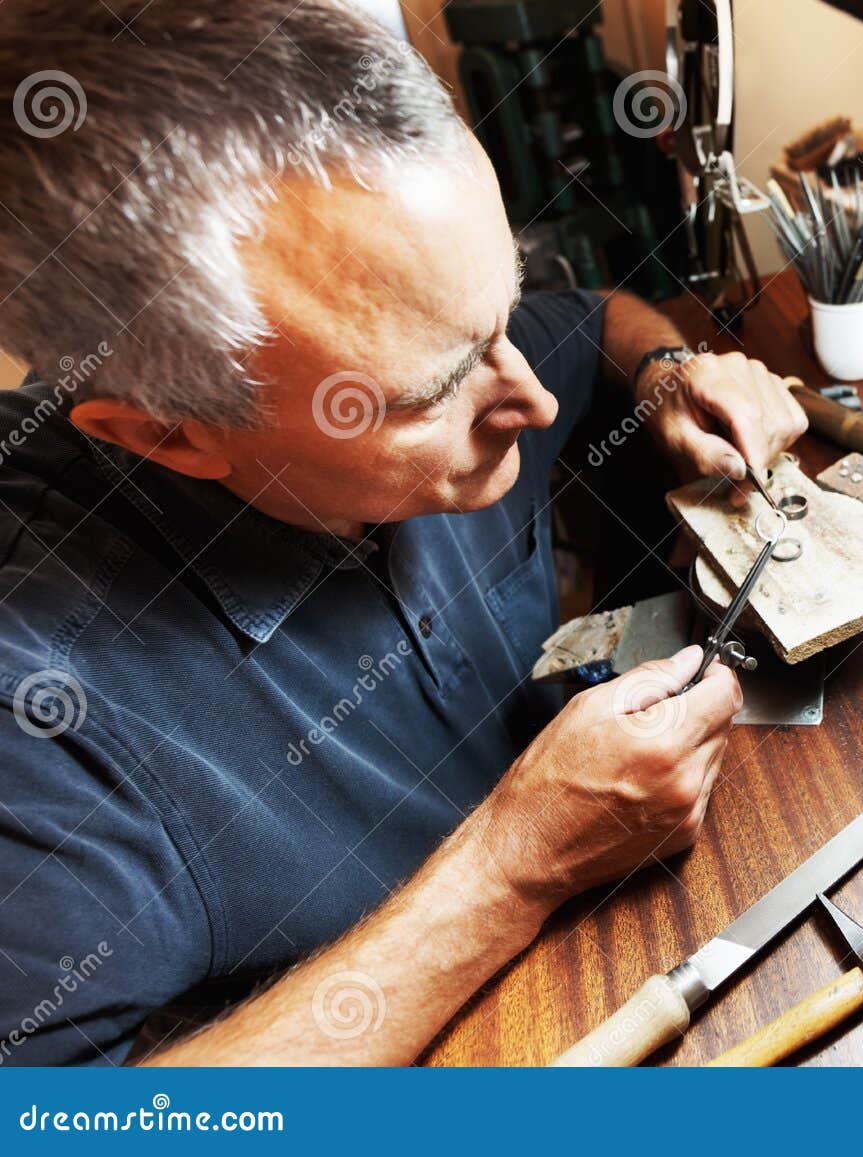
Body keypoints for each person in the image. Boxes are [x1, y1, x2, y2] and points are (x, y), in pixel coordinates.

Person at [0, 0, 805, 1065]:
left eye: (499, 313)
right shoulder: (41, 731)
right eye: (432, 389)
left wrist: (666, 374)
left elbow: (593, 322)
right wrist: (511, 864)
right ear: (168, 435)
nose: (532, 401)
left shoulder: (428, 331)